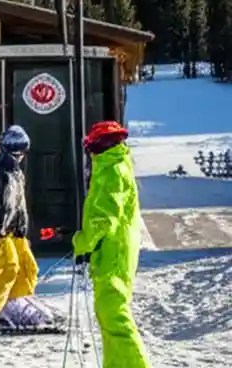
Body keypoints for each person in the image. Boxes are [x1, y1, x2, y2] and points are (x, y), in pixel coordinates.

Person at [72, 121, 150, 368]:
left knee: (115, 316)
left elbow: (103, 218)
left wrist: (82, 242)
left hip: (113, 253)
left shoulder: (111, 171)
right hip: (114, 250)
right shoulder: (115, 166)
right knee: (109, 318)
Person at [0, 125, 39, 320]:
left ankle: (17, 303)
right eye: (15, 152)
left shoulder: (17, 173)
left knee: (28, 267)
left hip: (15, 230)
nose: (19, 156)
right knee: (7, 267)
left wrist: (22, 227)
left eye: (22, 152)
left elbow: (18, 204)